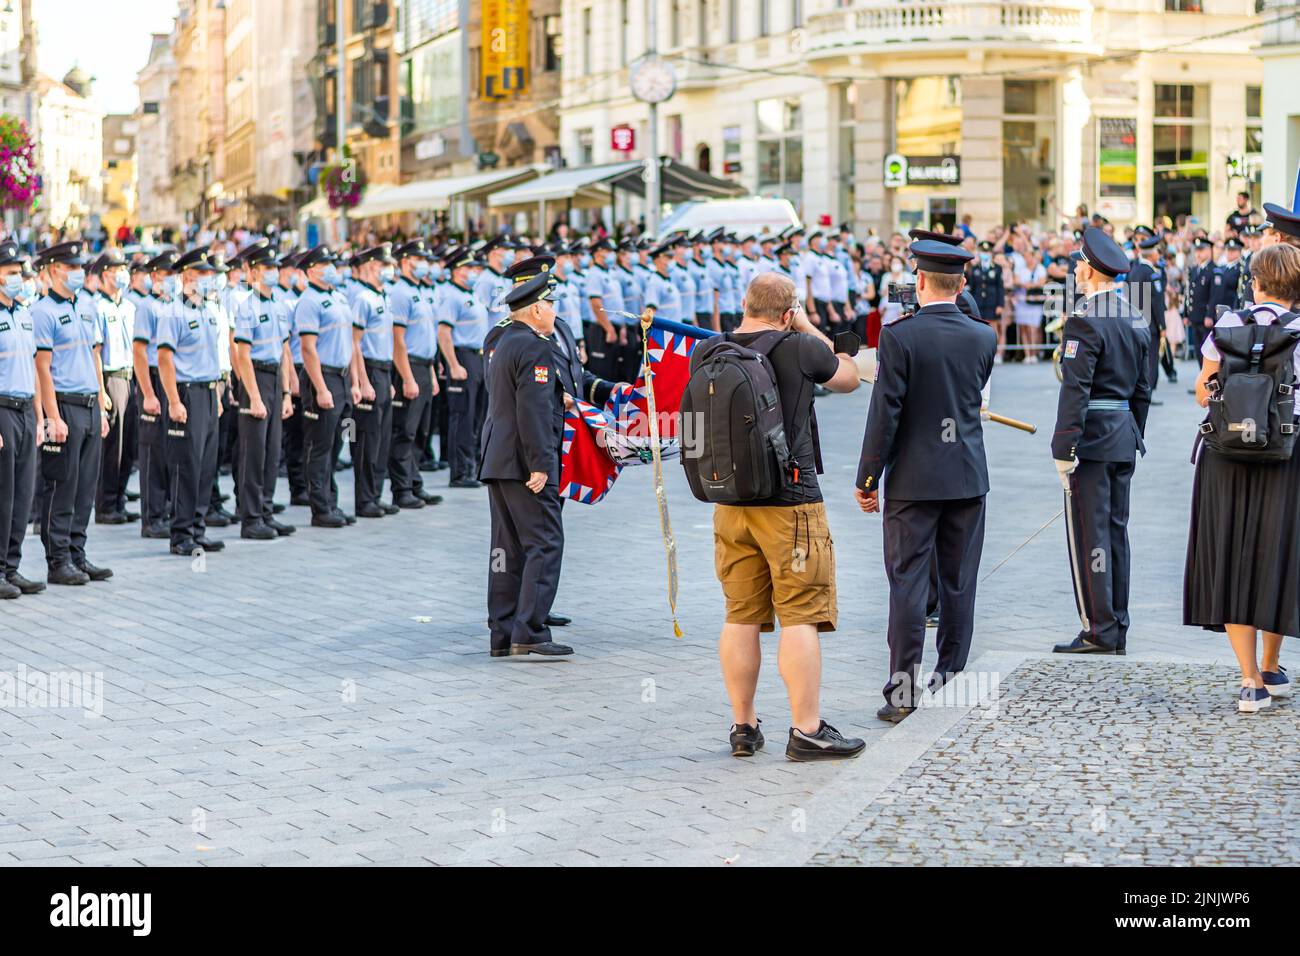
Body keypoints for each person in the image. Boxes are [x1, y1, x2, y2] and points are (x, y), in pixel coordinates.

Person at [699, 272, 866, 759]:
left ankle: (743, 726)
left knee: (740, 615)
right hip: (791, 503)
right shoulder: (801, 348)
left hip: (730, 503)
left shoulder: (710, 351)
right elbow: (850, 377)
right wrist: (807, 326)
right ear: (788, 311)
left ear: (745, 305)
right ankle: (807, 728)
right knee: (800, 614)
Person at [855, 240, 997, 723]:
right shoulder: (984, 335)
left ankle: (903, 692)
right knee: (959, 583)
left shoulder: (899, 336)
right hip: (966, 474)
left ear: (919, 281)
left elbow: (884, 415)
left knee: (908, 585)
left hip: (914, 480)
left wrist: (868, 476)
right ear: (961, 285)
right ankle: (951, 674)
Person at [1185, 242, 1300, 713]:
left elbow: (1200, 394)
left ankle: (1249, 680)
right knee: (1278, 556)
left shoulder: (1229, 325)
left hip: (1226, 455)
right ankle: (1272, 666)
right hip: (1288, 455)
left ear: (1255, 282)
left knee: (1230, 554)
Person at [1051, 227, 1152, 656]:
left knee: (1089, 535)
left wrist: (1063, 447)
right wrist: (1133, 432)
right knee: (1115, 532)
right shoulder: (1136, 316)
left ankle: (1098, 629)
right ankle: (1118, 622)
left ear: (1091, 272)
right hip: (1123, 435)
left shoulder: (1085, 319)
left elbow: (1075, 389)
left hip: (1092, 438)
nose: (1074, 269)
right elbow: (1144, 389)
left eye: (1078, 264)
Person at [479, 272, 573, 658]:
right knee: (545, 542)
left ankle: (502, 631)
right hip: (523, 462)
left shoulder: (506, 341)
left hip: (499, 458)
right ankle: (530, 630)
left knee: (507, 548)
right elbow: (531, 409)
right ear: (536, 310)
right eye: (550, 305)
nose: (553, 312)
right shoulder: (535, 347)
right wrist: (540, 465)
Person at [32, 241, 113, 585]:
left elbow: (93, 356)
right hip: (64, 404)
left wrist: (101, 398)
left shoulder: (88, 306)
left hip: (89, 404)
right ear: (53, 271)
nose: (79, 272)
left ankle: (78, 553)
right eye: (71, 267)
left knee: (84, 488)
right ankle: (59, 559)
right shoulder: (43, 311)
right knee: (62, 486)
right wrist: (52, 415)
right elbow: (42, 368)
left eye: (81, 267)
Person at [156, 248, 228, 556]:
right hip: (186, 393)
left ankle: (198, 528)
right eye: (204, 274)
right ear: (187, 276)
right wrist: (173, 400)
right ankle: (181, 533)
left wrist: (217, 394)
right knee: (187, 465)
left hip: (208, 392)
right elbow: (164, 359)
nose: (210, 280)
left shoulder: (206, 310)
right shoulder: (174, 312)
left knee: (206, 466)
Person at [230, 243, 295, 539]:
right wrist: (253, 395)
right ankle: (251, 517)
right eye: (267, 268)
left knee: (272, 451)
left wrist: (285, 393)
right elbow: (243, 355)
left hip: (273, 376)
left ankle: (266, 510)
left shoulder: (279, 305)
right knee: (253, 451)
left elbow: (282, 350)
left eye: (275, 268)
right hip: (254, 378)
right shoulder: (247, 306)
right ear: (253, 272)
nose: (274, 272)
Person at [294, 245, 354, 528]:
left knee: (334, 444)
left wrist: (353, 380)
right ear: (311, 270)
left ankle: (331, 501)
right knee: (319, 445)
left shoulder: (338, 297)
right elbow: (308, 349)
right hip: (323, 377)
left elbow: (350, 343)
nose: (330, 267)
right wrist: (320, 387)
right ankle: (320, 507)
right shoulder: (309, 300)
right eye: (324, 263)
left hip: (341, 375)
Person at [0, 239, 45, 597]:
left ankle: (11, 567)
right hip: (2, 412)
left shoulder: (24, 314)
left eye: (20, 273)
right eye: (12, 273)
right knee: (3, 495)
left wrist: (40, 417)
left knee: (23, 495)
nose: (19, 279)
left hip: (25, 409)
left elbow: (33, 367)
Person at [387, 239, 442, 509]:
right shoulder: (400, 293)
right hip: (408, 365)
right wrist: (407, 377)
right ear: (407, 262)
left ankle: (415, 482)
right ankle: (402, 488)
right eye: (419, 260)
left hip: (424, 364)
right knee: (405, 431)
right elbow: (398, 340)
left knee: (421, 430)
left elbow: (426, 335)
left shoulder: (419, 290)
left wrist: (430, 373)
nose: (424, 265)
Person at [131, 250, 179, 539]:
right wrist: (148, 393)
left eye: (174, 274)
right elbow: (139, 352)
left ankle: (170, 510)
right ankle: (152, 517)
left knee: (172, 449)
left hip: (171, 378)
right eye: (165, 274)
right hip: (152, 378)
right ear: (153, 276)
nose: (170, 279)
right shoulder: (148, 307)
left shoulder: (177, 306)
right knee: (153, 450)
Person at [89, 249, 138, 524]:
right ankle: (106, 504)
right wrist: (101, 390)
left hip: (128, 376)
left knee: (128, 444)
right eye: (117, 269)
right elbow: (96, 351)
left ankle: (119, 499)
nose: (123, 274)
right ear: (105, 273)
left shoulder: (129, 307)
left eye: (124, 268)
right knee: (113, 446)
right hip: (109, 377)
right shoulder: (98, 306)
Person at [348, 244, 398, 518]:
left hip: (384, 368)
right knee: (367, 439)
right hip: (369, 368)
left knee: (382, 437)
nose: (386, 270)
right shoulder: (363, 298)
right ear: (369, 266)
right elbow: (354, 344)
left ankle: (376, 494)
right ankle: (364, 499)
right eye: (381, 265)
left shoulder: (384, 296)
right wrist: (363, 381)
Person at [437, 246, 489, 489]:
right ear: (457, 271)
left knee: (478, 416)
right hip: (462, 357)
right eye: (469, 268)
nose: (473, 272)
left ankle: (474, 465)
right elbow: (444, 333)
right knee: (463, 416)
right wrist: (453, 364)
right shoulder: (452, 297)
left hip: (478, 357)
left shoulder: (474, 294)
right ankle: (460, 471)